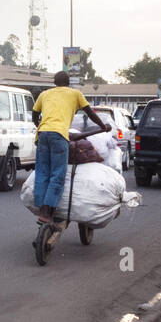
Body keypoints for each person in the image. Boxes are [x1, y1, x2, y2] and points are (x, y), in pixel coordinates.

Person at [31, 72, 109, 224]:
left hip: (42, 134)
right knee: (57, 173)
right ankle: (47, 211)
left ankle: (40, 207)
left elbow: (34, 115)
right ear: (68, 83)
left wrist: (41, 126)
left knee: (42, 171)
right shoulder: (75, 94)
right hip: (59, 135)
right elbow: (90, 113)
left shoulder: (45, 94)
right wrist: (102, 126)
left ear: (54, 82)